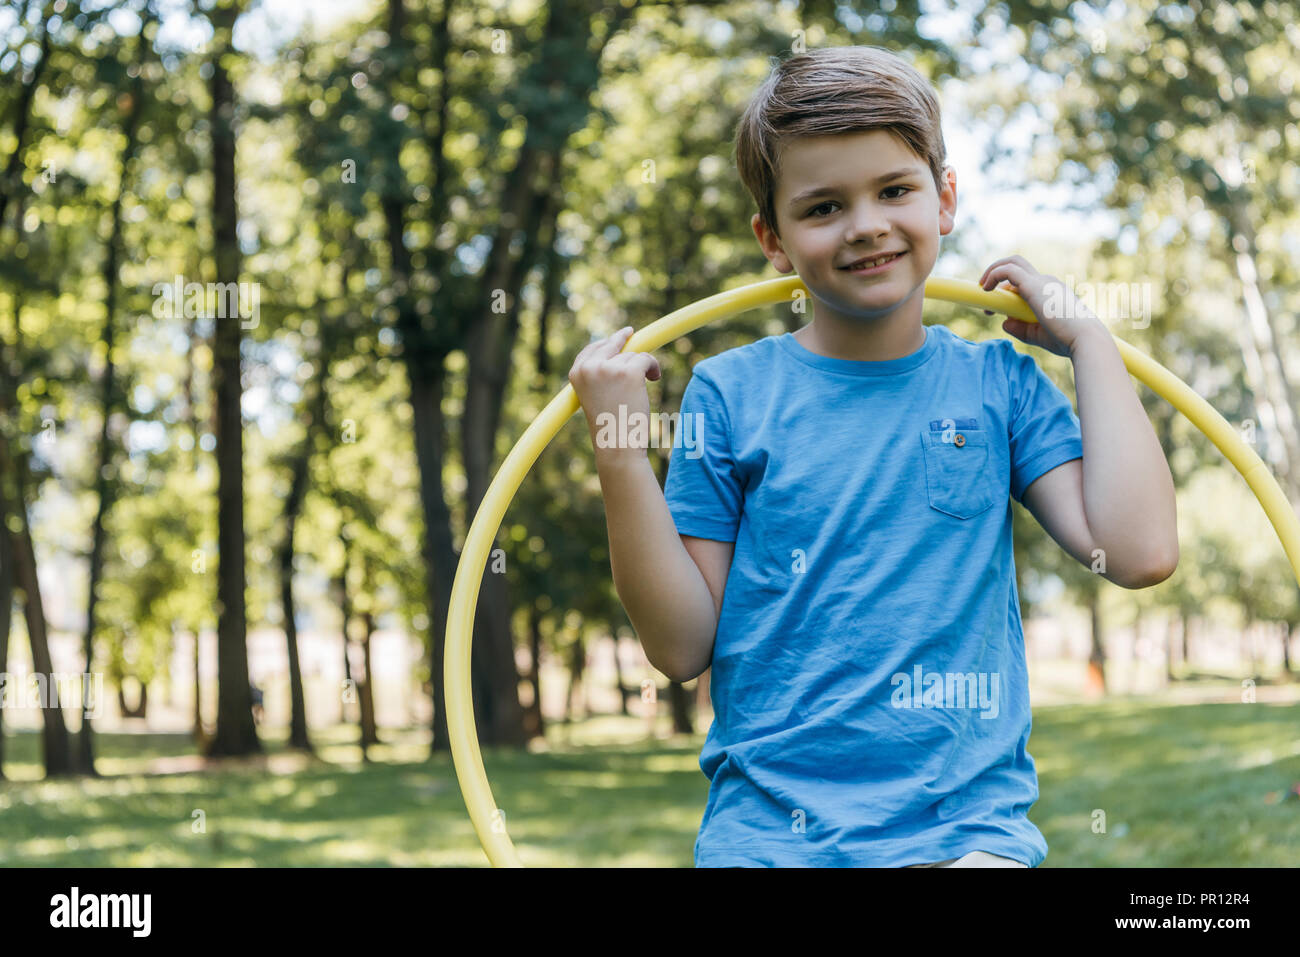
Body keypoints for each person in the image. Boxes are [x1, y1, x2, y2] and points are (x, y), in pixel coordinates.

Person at [567, 45, 1178, 867]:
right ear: (773, 239)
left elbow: (1140, 552)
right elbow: (680, 648)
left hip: (965, 835)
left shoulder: (999, 384)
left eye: (894, 190)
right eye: (823, 207)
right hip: (769, 836)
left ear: (945, 197)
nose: (866, 225)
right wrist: (618, 453)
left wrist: (1093, 344)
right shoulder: (729, 394)